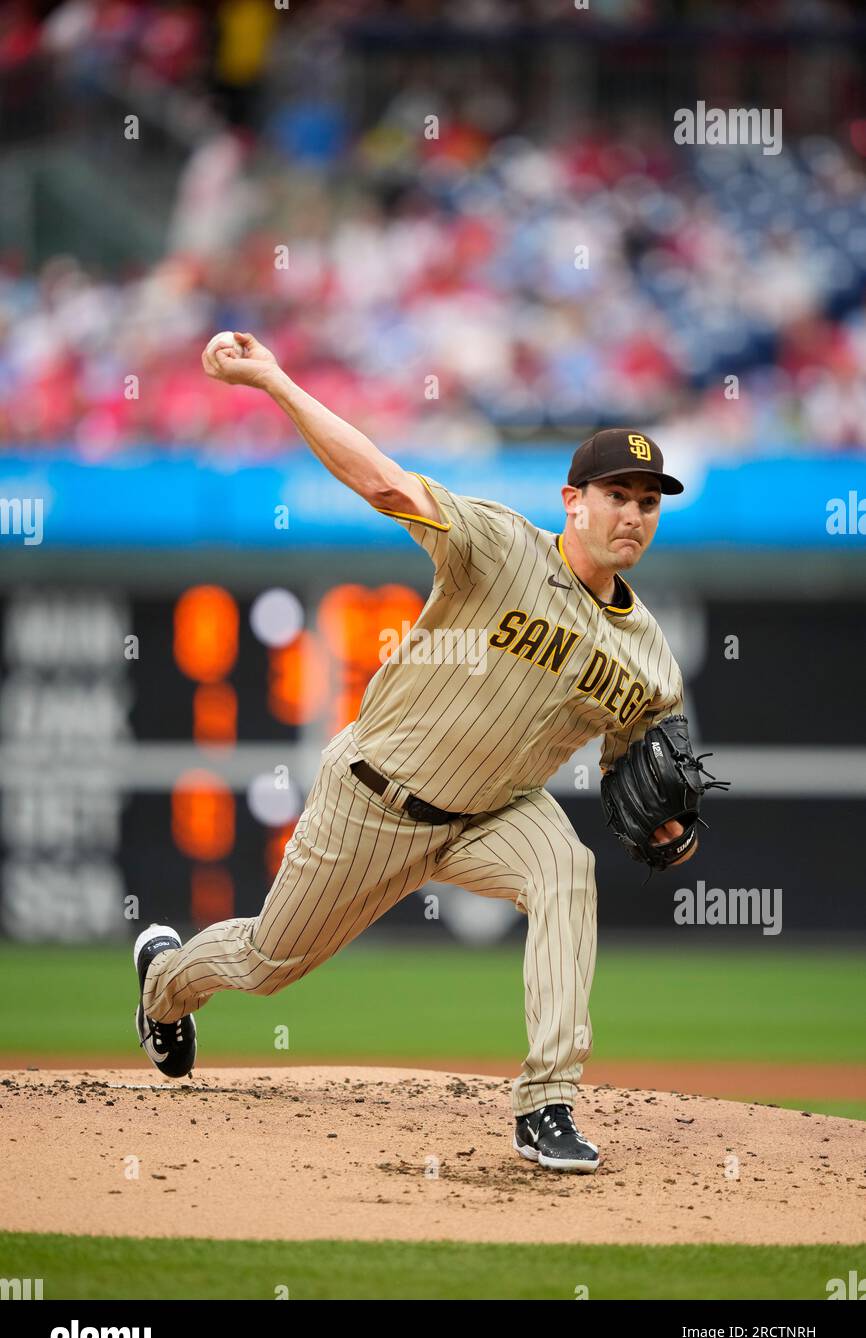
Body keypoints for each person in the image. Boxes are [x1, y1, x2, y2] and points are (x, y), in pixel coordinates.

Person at [133, 331, 697, 1174]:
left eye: (649, 501)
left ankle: (547, 1103)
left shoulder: (650, 658)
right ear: (572, 500)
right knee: (267, 962)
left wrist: (663, 826)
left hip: (495, 812)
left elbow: (630, 764)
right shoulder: (499, 546)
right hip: (373, 797)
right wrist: (276, 381)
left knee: (565, 873)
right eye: (618, 493)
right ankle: (165, 982)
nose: (634, 514)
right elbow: (381, 479)